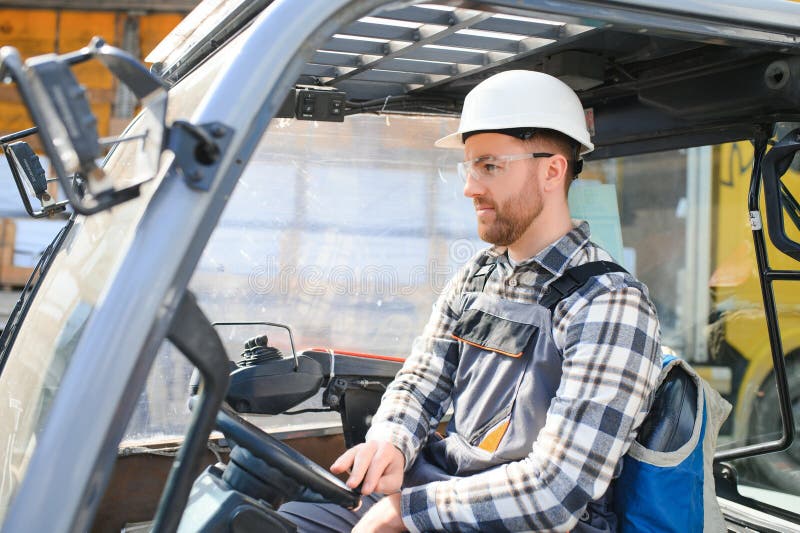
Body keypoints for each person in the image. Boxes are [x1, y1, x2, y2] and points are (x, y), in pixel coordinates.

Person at [280, 70, 662, 532]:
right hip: (447, 494)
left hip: (524, 522)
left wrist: (407, 514)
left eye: (490, 166)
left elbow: (555, 492)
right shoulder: (478, 275)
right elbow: (421, 378)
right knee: (276, 518)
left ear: (552, 170)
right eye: (468, 167)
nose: (469, 187)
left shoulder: (609, 305)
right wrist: (390, 442)